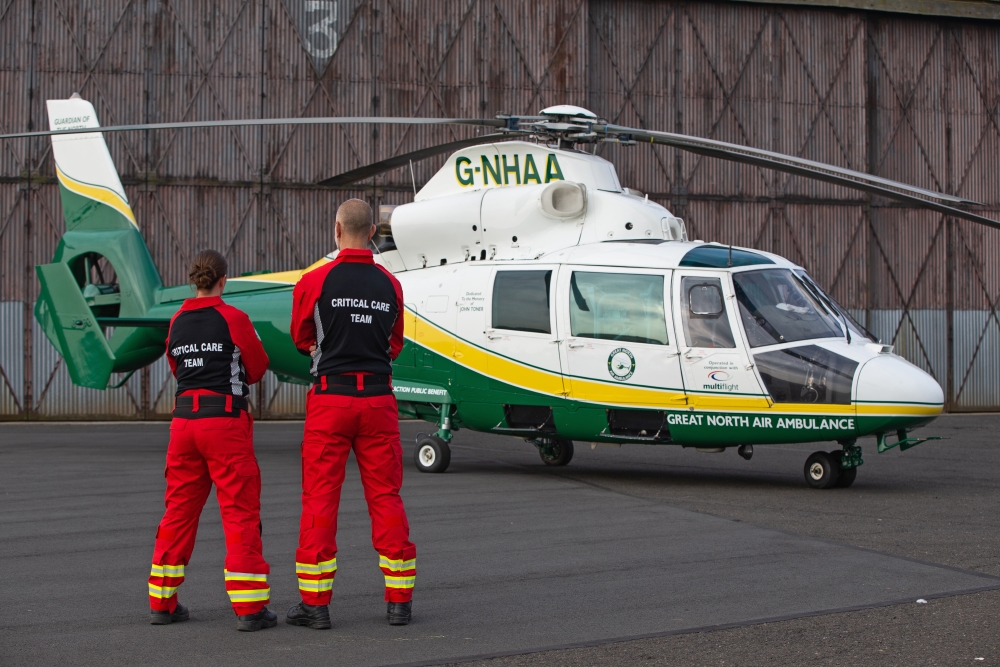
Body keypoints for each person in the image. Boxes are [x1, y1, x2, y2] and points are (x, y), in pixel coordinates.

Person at [286, 199, 415, 630]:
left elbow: (300, 337)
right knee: (386, 497)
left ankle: (316, 606)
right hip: (379, 401)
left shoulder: (315, 281)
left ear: (337, 229)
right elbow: (394, 344)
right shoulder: (391, 285)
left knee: (320, 500)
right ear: (375, 232)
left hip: (331, 401)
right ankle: (399, 602)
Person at [147, 249, 276, 632]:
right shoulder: (233, 318)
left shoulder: (177, 321)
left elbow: (175, 366)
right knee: (239, 512)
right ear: (224, 280)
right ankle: (250, 607)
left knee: (178, 512)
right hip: (224, 422)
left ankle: (162, 602)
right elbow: (256, 366)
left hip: (183, 423)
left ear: (194, 280)